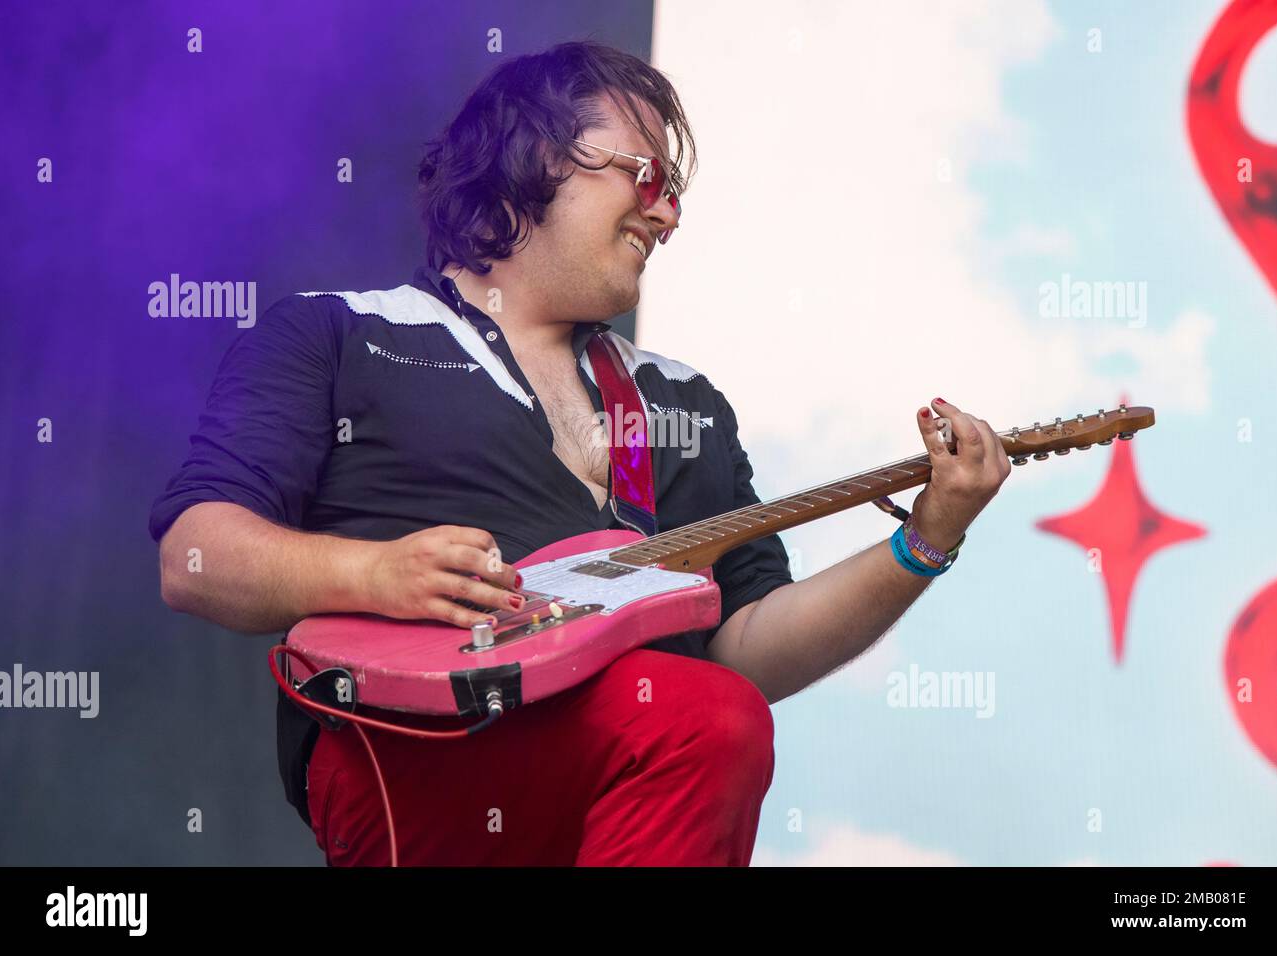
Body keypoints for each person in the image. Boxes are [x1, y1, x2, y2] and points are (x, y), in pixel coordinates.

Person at [150, 41, 1010, 867]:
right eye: (646, 175)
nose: (668, 213)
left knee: (718, 714)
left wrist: (925, 541)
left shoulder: (684, 404)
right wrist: (375, 576)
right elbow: (196, 559)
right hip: (405, 754)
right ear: (534, 157)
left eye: (673, 191)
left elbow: (744, 650)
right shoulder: (335, 333)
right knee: (702, 718)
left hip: (632, 766)